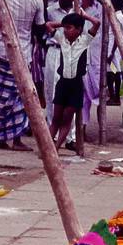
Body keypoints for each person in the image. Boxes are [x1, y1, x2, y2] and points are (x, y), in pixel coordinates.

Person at [0, 0, 44, 151]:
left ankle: (0, 137)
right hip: (24, 54)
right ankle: (17, 139)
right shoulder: (37, 0)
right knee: (21, 98)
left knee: (1, 97)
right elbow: (39, 28)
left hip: (3, 51)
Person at [46, 12, 100, 151]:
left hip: (75, 85)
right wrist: (64, 24)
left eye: (69, 28)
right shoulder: (61, 39)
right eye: (65, 28)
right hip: (62, 84)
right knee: (55, 119)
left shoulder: (84, 40)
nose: (65, 30)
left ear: (79, 29)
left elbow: (97, 23)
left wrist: (84, 16)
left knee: (67, 120)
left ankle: (56, 148)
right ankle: (50, 148)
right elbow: (48, 24)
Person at [43, 0, 75, 126]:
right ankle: (52, 130)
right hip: (54, 51)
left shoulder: (77, 10)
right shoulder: (50, 10)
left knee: (71, 94)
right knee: (51, 91)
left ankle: (71, 136)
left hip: (71, 53)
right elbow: (43, 32)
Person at [79, 0, 105, 132]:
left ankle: (102, 130)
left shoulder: (100, 8)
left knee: (98, 94)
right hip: (79, 54)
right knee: (81, 97)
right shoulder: (77, 4)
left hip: (95, 57)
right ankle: (80, 130)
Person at [107, 0, 123, 104]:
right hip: (112, 49)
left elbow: (118, 35)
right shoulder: (117, 15)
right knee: (113, 72)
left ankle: (114, 97)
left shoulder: (118, 17)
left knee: (112, 73)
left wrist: (111, 52)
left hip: (113, 50)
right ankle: (114, 96)